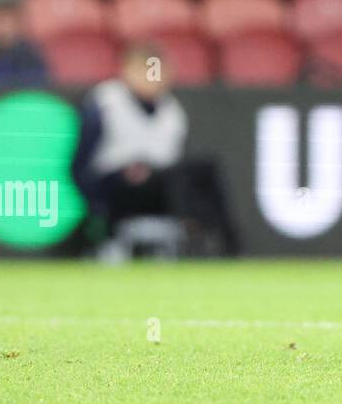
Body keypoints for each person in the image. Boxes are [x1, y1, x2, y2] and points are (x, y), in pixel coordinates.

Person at [69, 42, 240, 257]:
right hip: (117, 185)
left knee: (202, 170)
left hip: (160, 184)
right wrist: (96, 205)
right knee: (166, 179)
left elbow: (174, 160)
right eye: (145, 70)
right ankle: (193, 235)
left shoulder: (172, 110)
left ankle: (223, 242)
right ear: (127, 71)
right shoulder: (105, 102)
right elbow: (81, 164)